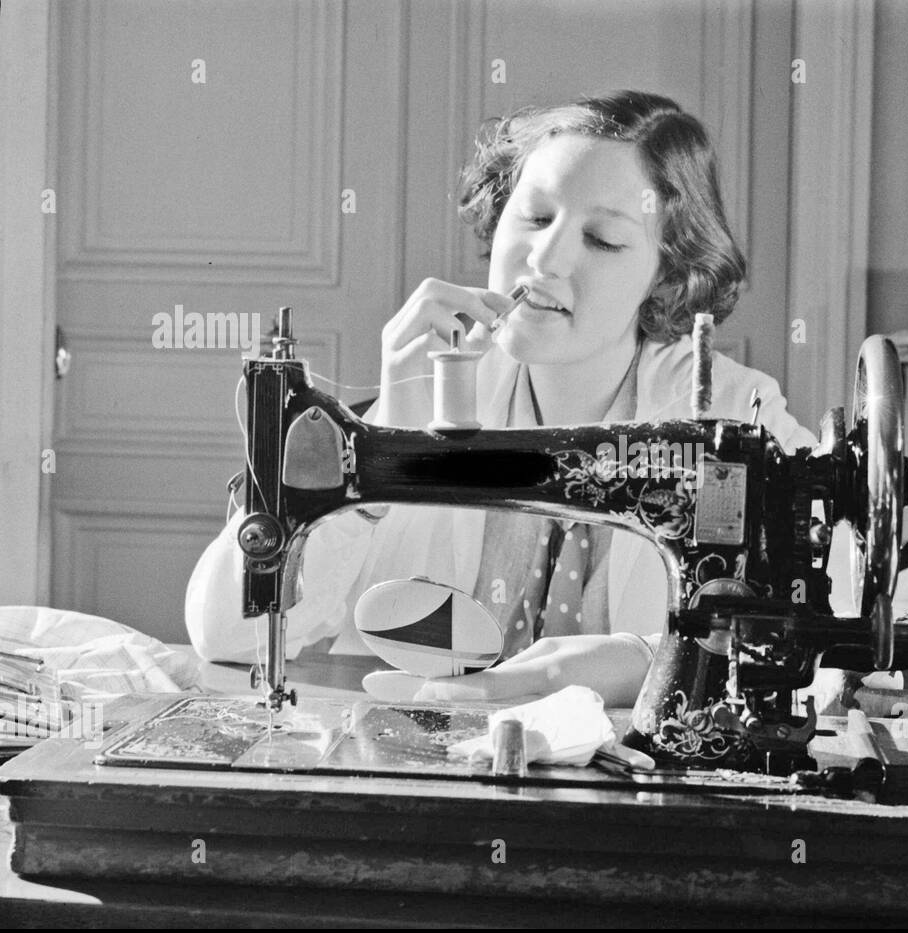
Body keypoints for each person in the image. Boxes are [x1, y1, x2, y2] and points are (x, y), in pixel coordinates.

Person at [185, 90, 822, 707]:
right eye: (536, 217)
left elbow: (869, 641)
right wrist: (375, 459)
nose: (546, 257)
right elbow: (230, 636)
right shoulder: (430, 389)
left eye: (602, 240)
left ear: (669, 272)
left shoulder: (736, 414)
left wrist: (640, 661)